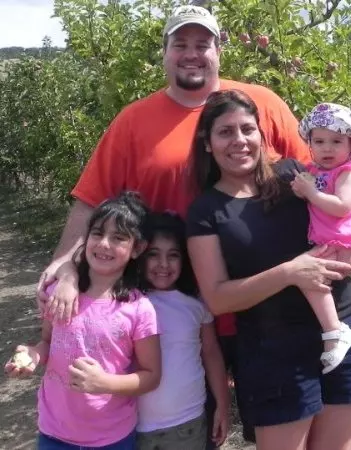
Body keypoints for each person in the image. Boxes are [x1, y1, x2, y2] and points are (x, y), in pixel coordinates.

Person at [36, 5, 314, 446]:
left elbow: (315, 174)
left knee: (282, 428)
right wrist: (67, 265)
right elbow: (91, 200)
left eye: (202, 44)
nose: (191, 54)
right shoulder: (133, 121)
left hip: (268, 305)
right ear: (164, 53)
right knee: (183, 428)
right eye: (179, 44)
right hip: (172, 315)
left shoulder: (261, 105)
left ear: (219, 50)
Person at [186, 89, 351, 450]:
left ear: (261, 134)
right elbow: (217, 297)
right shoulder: (207, 211)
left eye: (248, 129)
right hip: (273, 347)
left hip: (341, 329)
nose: (239, 140)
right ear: (208, 143)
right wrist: (290, 272)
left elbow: (347, 216)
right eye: (225, 132)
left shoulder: (294, 176)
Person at [5, 192, 161, 449]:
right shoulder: (60, 293)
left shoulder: (139, 309)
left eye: (119, 238)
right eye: (97, 233)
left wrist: (105, 383)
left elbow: (152, 376)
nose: (104, 244)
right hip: (53, 433)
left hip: (112, 437)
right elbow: (46, 341)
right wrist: (33, 355)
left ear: (138, 249)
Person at [287, 103, 351, 374]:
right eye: (319, 141)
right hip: (334, 238)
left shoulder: (346, 172)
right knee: (310, 277)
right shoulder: (314, 170)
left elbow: (342, 205)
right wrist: (299, 189)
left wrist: (311, 194)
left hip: (346, 239)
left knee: (309, 276)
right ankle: (334, 330)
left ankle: (335, 331)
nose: (327, 148)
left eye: (336, 141)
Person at [136, 211, 229, 450]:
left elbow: (210, 352)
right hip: (133, 426)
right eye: (153, 255)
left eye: (173, 255)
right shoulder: (126, 302)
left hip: (187, 424)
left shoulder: (196, 303)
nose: (163, 265)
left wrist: (222, 403)